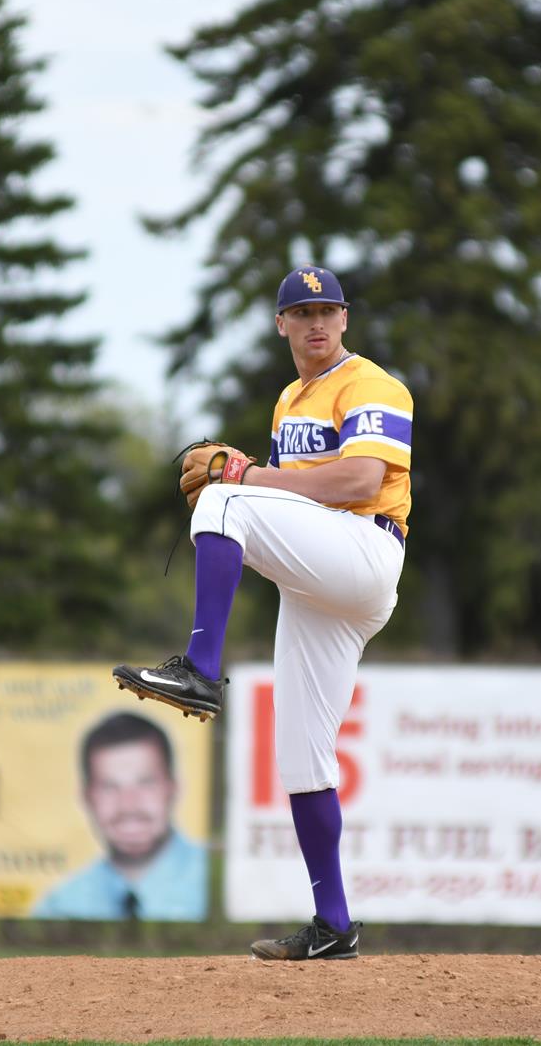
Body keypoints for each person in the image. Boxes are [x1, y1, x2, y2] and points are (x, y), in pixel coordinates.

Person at [113, 264, 412, 961]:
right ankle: (334, 925)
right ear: (281, 325)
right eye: (302, 312)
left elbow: (360, 477)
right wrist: (251, 484)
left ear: (345, 319)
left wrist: (243, 477)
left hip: (367, 550)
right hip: (319, 584)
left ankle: (200, 669)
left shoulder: (372, 384)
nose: (316, 322)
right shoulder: (288, 401)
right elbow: (284, 500)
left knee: (224, 498)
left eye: (327, 310)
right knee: (302, 757)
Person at [32, 710, 207, 921]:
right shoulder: (60, 907)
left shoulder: (223, 883)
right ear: (87, 797)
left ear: (173, 787)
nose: (128, 805)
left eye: (145, 783)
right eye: (109, 787)